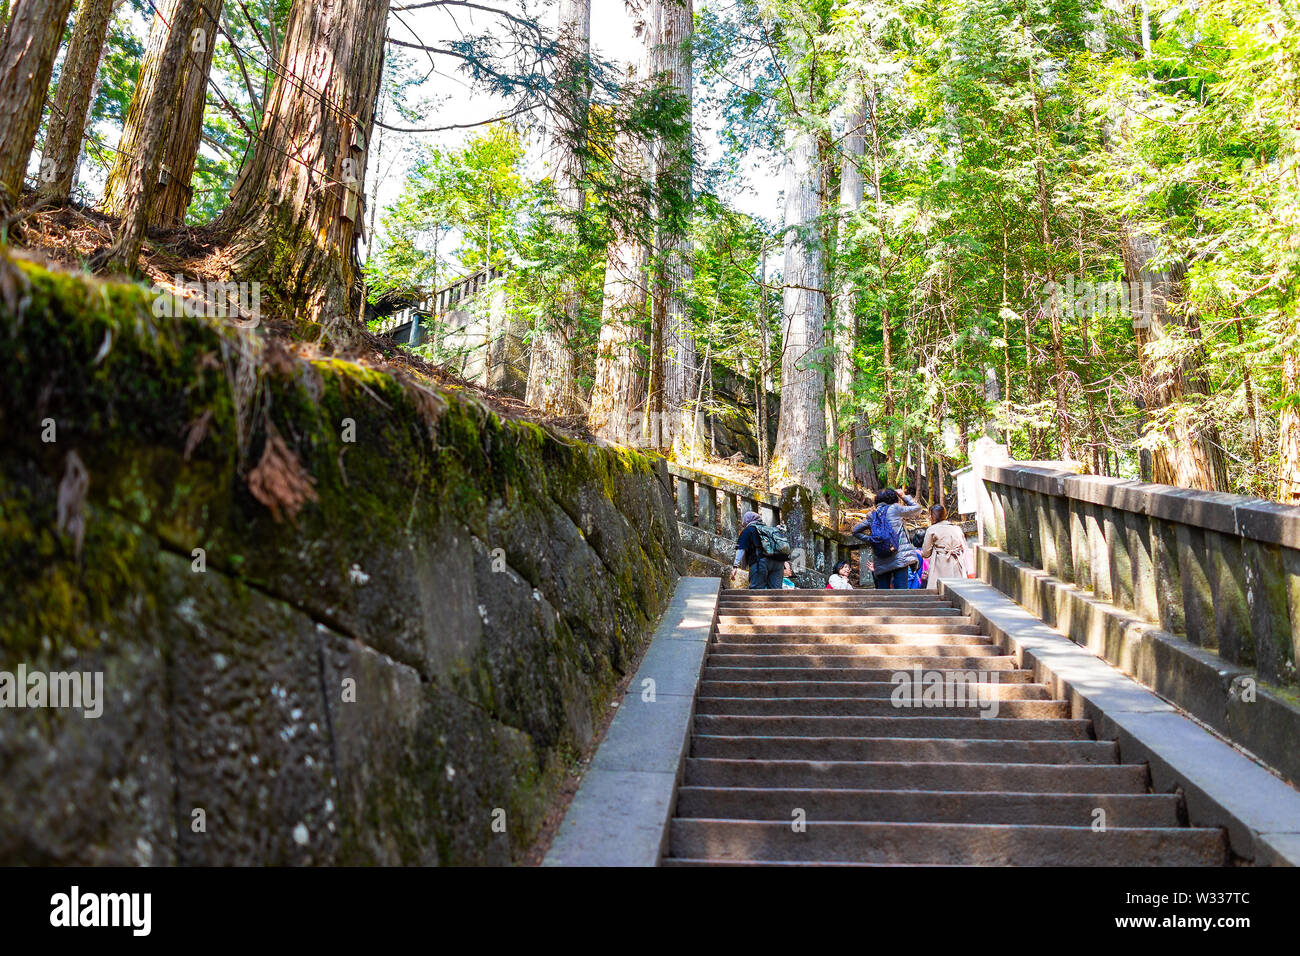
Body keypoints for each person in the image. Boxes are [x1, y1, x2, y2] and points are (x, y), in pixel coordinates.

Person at [852, 488, 923, 589]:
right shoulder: (895, 509)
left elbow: (855, 531)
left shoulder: (873, 515)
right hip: (899, 558)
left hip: (881, 559)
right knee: (901, 592)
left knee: (883, 593)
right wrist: (903, 496)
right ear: (893, 498)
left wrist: (872, 540)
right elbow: (917, 509)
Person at [920, 503, 967, 589]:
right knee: (957, 589)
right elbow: (964, 547)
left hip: (940, 563)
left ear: (932, 516)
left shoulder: (932, 530)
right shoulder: (957, 528)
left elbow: (926, 552)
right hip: (957, 562)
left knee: (939, 589)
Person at [734, 511, 784, 589]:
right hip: (778, 563)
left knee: (756, 591)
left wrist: (735, 566)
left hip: (760, 562)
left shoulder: (749, 530)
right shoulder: (770, 529)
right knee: (776, 592)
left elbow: (741, 548)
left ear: (747, 521)